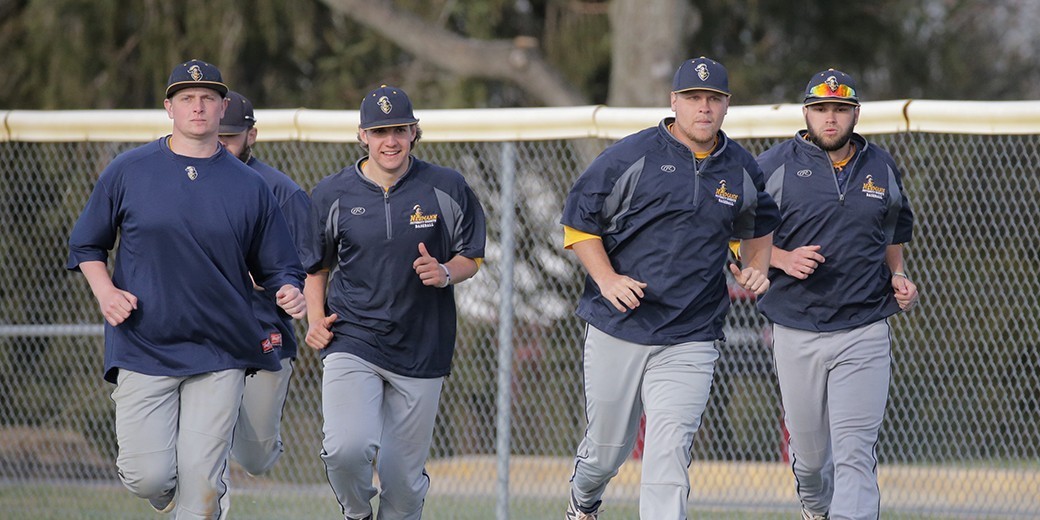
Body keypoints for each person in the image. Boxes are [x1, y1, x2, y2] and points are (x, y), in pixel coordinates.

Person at [66, 59, 307, 519]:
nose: (198, 107)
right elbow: (87, 244)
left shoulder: (250, 186)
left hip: (221, 351)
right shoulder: (129, 170)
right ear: (169, 108)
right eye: (187, 99)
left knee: (202, 486)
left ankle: (201, 501)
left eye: (208, 98)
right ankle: (171, 490)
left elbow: (281, 267)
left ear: (222, 108)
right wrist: (105, 292)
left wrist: (289, 291)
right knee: (148, 476)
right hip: (144, 344)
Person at [560, 57, 781, 520]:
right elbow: (579, 221)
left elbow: (757, 225)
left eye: (714, 99)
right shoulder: (631, 155)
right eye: (695, 98)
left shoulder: (741, 167)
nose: (705, 108)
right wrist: (607, 279)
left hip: (691, 334)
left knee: (669, 451)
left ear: (726, 107)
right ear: (674, 102)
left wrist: (755, 265)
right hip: (620, 324)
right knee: (606, 451)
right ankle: (583, 500)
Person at [304, 85, 487, 520]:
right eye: (380, 130)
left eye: (400, 130)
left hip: (423, 345)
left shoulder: (446, 186)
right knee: (346, 449)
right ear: (363, 136)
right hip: (354, 339)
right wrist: (315, 318)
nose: (391, 140)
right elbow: (316, 266)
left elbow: (472, 257)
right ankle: (356, 513)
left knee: (402, 483)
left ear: (414, 132)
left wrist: (445, 272)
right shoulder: (332, 194)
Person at [755, 69, 918, 520]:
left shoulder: (881, 166)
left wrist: (899, 274)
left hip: (864, 328)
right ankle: (814, 507)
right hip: (796, 328)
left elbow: (892, 232)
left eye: (841, 110)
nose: (831, 119)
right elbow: (735, 236)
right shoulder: (774, 165)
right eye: (822, 109)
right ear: (806, 112)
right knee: (810, 462)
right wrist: (782, 258)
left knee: (855, 455)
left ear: (855, 114)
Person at [216, 91, 315, 496]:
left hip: (264, 332)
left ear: (251, 135)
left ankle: (262, 445)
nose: (220, 144)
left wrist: (291, 289)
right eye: (215, 134)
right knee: (206, 447)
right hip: (204, 332)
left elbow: (306, 271)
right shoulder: (183, 182)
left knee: (254, 458)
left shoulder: (282, 192)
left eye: (230, 137)